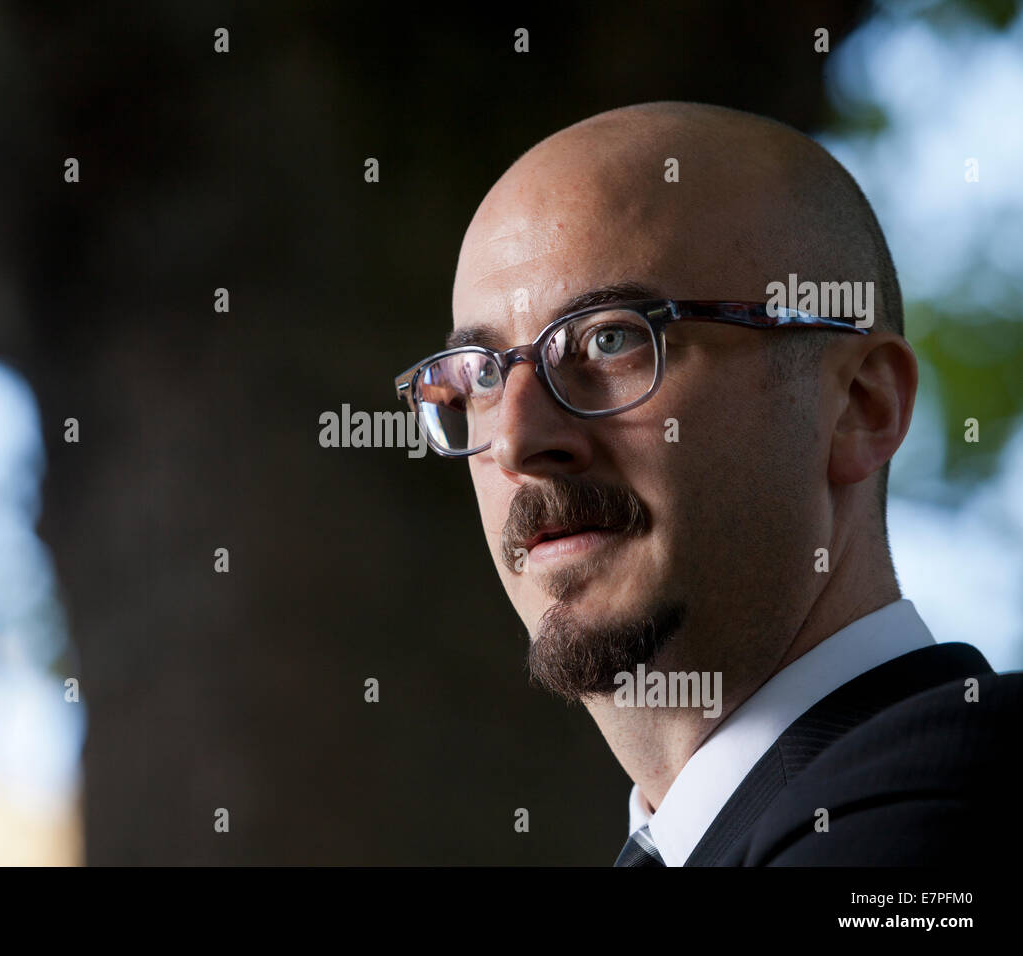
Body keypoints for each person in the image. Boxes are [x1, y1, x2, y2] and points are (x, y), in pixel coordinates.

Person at [393, 101, 1020, 865]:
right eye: (480, 378)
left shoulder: (947, 821)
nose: (521, 441)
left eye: (611, 338)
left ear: (859, 406)